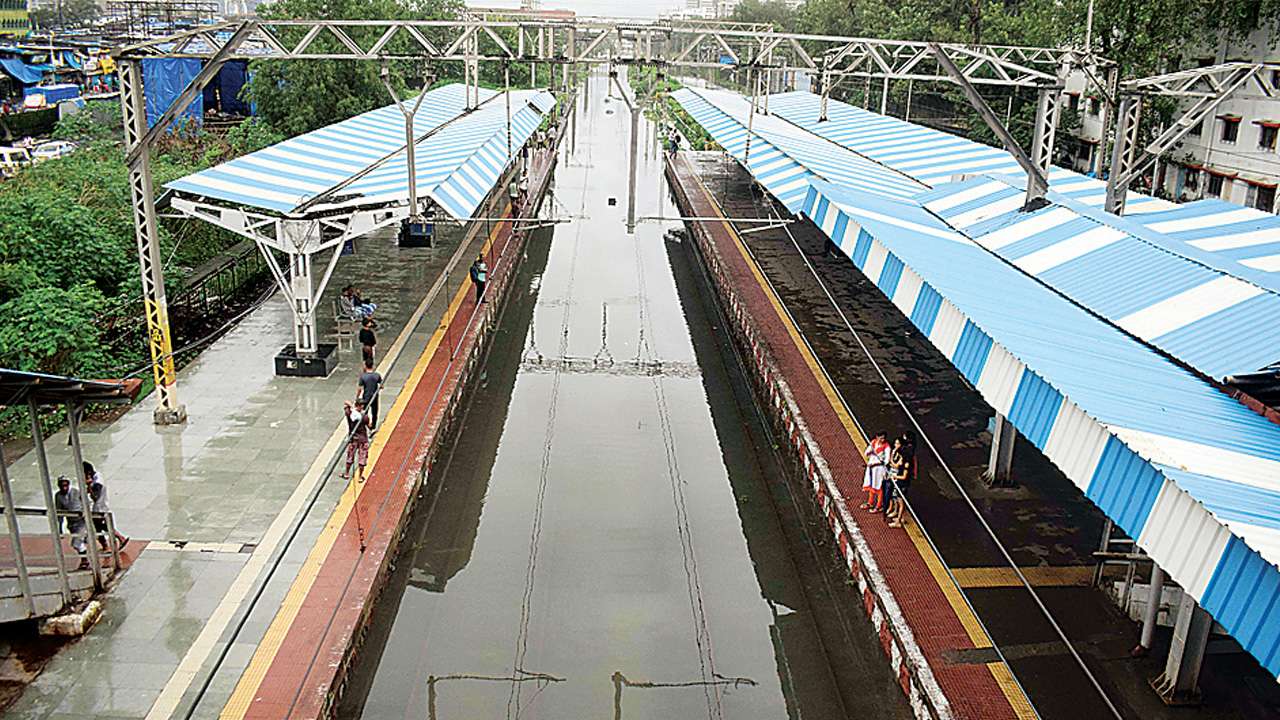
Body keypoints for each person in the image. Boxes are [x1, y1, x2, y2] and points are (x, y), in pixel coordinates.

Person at [83, 462, 128, 552]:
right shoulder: (97, 476)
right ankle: (113, 541)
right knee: (100, 526)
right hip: (102, 506)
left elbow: (95, 497)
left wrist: (89, 485)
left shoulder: (97, 482)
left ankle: (116, 539)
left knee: (98, 527)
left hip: (99, 507)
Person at [54, 475, 89, 570]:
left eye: (65, 485)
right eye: (62, 486)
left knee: (76, 542)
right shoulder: (58, 496)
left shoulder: (76, 492)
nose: (64, 488)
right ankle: (85, 558)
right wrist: (60, 529)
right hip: (71, 523)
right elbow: (59, 512)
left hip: (81, 522)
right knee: (78, 542)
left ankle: (85, 560)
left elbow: (86, 502)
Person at [886, 434, 915, 528]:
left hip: (902, 484)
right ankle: (900, 517)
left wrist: (895, 476)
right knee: (899, 501)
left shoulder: (906, 465)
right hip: (901, 483)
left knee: (901, 502)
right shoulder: (905, 462)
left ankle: (898, 521)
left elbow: (904, 476)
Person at [342, 400, 372, 482]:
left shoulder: (349, 414)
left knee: (350, 456)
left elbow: (346, 403)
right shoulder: (364, 417)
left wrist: (352, 407)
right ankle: (360, 477)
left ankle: (347, 473)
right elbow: (370, 426)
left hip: (353, 439)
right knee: (362, 458)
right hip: (363, 440)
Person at [860, 432, 890, 513]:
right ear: (877, 437)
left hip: (879, 469)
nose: (882, 440)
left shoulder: (886, 447)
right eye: (881, 438)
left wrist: (879, 461)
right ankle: (870, 502)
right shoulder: (873, 442)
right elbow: (866, 452)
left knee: (878, 486)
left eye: (883, 438)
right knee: (871, 485)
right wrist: (871, 452)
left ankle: (878, 505)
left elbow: (886, 461)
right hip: (871, 467)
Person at [357, 358, 383, 430]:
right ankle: (373, 426)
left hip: (366, 397)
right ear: (373, 366)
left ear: (365, 366)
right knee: (374, 412)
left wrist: (357, 397)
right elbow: (381, 386)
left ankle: (366, 425)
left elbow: (360, 389)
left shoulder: (363, 376)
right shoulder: (377, 375)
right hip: (374, 397)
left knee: (364, 412)